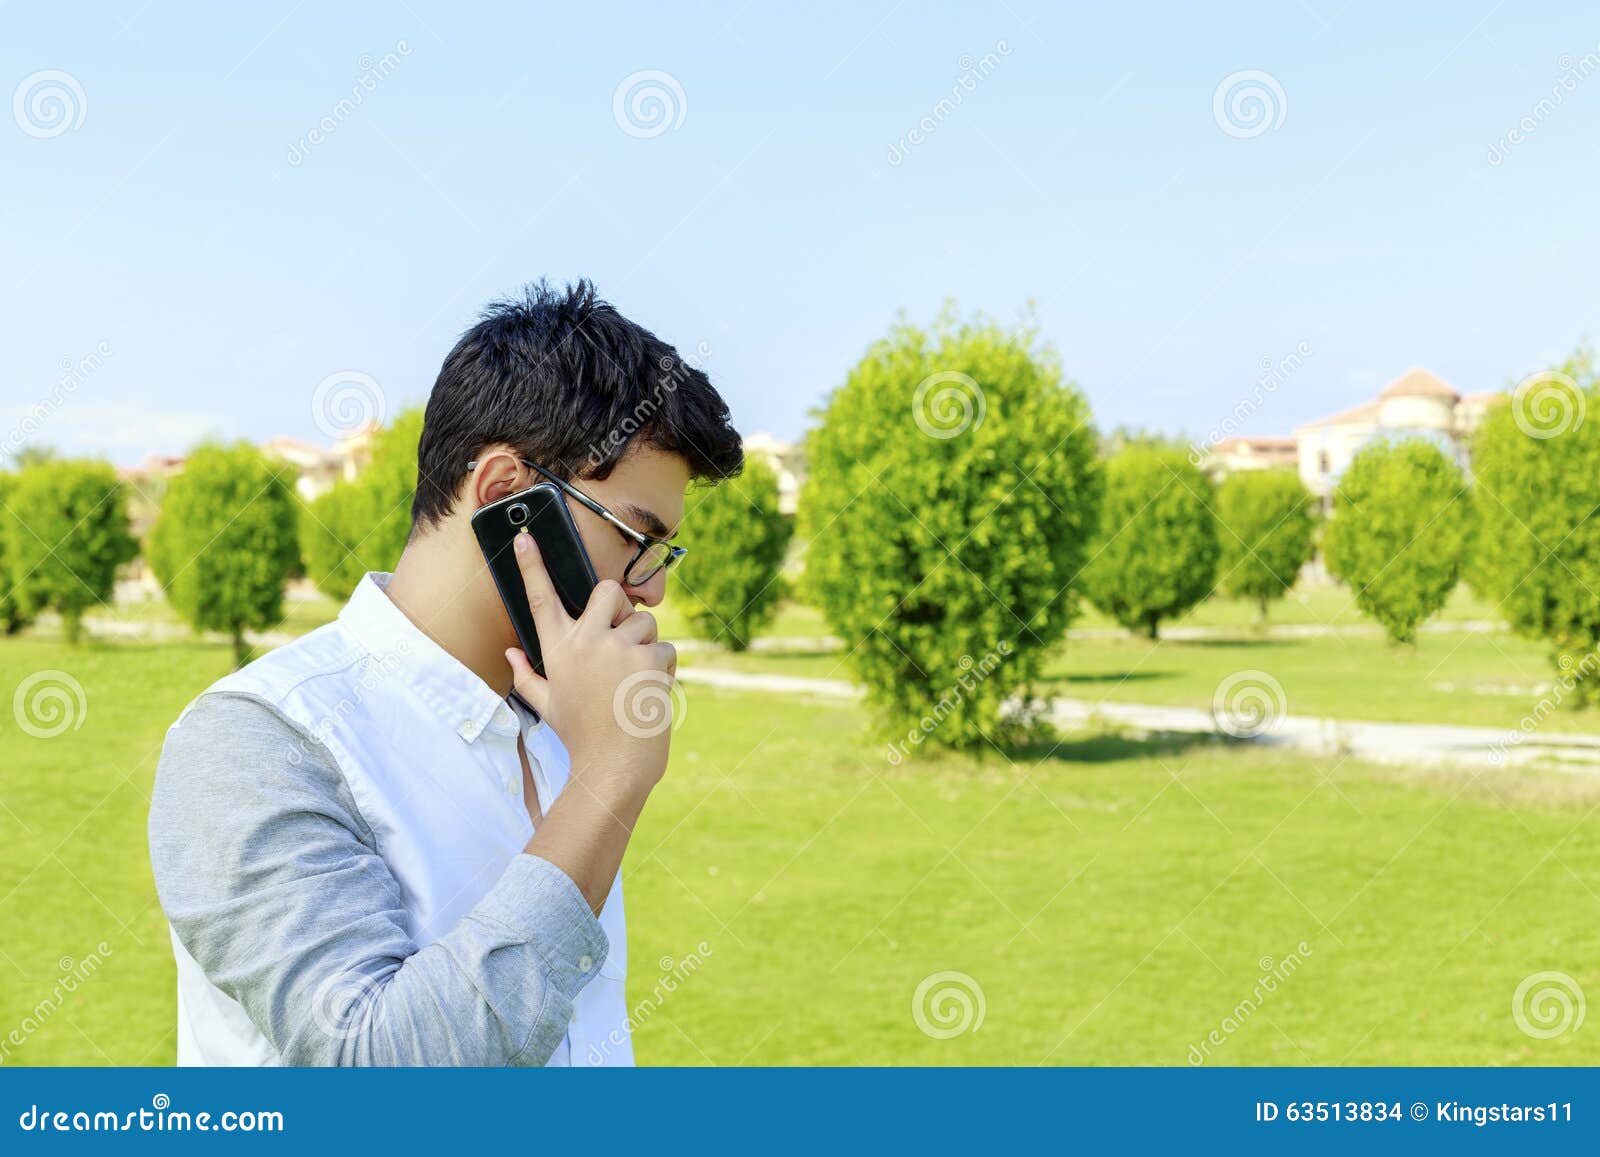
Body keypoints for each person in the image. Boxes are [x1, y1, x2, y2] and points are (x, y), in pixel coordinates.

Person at [148, 280, 743, 1065]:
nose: (652, 585)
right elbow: (373, 1068)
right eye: (636, 536)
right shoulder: (258, 740)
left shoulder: (561, 724)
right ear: (508, 493)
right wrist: (608, 784)